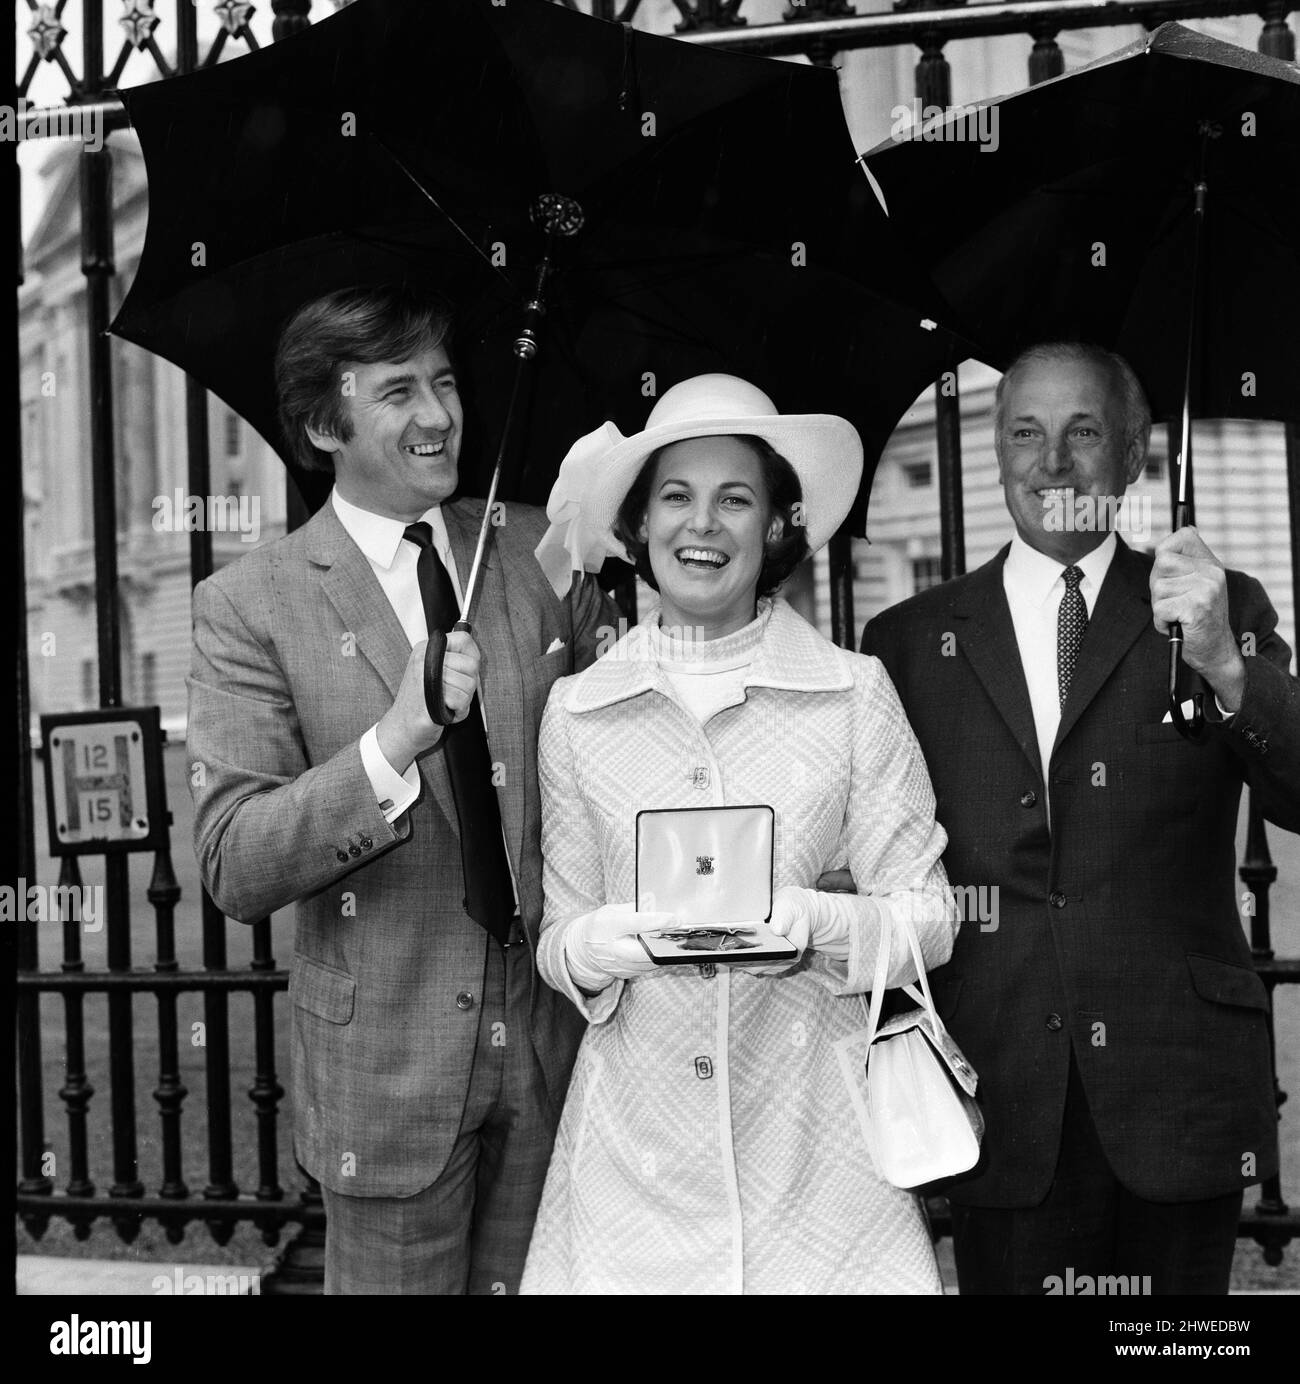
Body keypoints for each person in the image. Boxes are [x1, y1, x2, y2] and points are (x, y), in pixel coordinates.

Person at [187, 285, 616, 1294]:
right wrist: (394, 741)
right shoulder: (249, 604)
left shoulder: (536, 546)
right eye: (398, 391)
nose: (438, 414)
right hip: (385, 1077)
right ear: (325, 425)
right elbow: (233, 862)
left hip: (555, 1051)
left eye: (445, 381)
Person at [861, 341, 1300, 1295]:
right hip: (1002, 1091)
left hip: (1178, 1087)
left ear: (1137, 455)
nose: (1052, 461)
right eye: (1026, 432)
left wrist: (1227, 664)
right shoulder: (906, 643)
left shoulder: (1219, 612)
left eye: (1084, 431)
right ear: (996, 453)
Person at [518, 374, 959, 1294]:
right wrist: (606, 943)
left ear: (777, 527)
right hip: (631, 1171)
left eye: (735, 499)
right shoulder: (576, 711)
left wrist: (813, 924)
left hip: (816, 1167)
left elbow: (929, 916)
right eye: (675, 497)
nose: (702, 525)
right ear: (639, 528)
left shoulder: (852, 694)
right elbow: (558, 941)